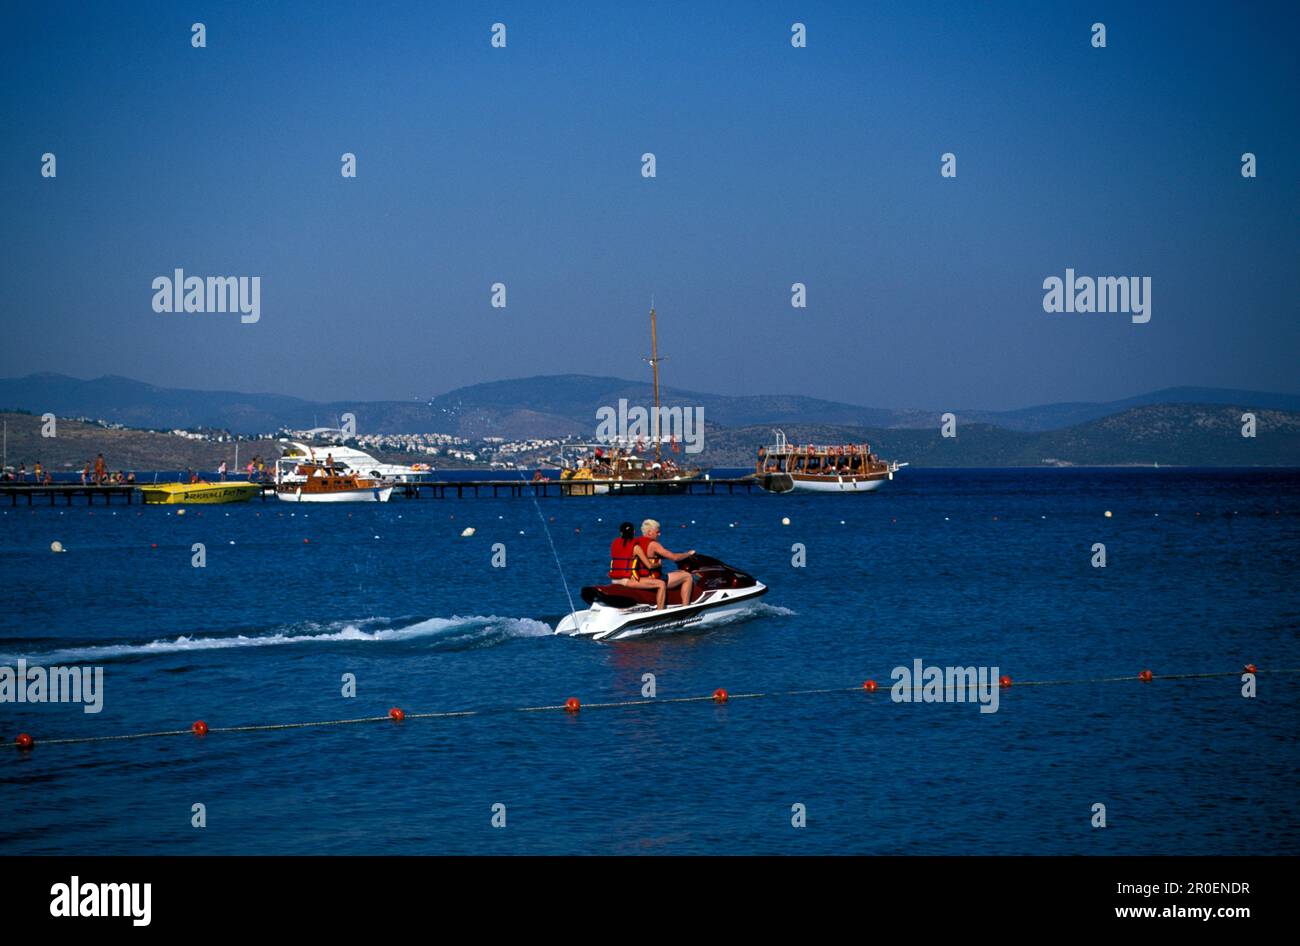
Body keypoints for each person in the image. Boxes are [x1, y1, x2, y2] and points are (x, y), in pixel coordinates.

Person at [632, 519, 696, 609]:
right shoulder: (653, 544)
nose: (659, 534)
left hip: (638, 578)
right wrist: (688, 554)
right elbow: (674, 557)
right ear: (650, 532)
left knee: (678, 572)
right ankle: (686, 608)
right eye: (657, 532)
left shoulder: (635, 542)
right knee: (687, 576)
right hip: (653, 578)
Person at [608, 521, 667, 601]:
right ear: (634, 532)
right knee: (661, 584)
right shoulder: (636, 547)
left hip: (614, 580)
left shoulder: (614, 544)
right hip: (627, 581)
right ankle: (660, 611)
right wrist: (659, 565)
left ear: (621, 533)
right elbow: (649, 566)